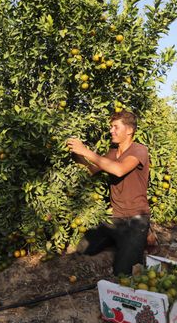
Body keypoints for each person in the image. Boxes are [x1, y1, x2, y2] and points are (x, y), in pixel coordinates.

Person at [67, 110, 150, 276]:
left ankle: (143, 237)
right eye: (111, 127)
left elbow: (119, 170)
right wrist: (76, 152)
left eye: (115, 127)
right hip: (114, 218)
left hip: (135, 220)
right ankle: (121, 242)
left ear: (129, 130)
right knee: (82, 249)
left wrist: (86, 151)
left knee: (123, 273)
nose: (111, 130)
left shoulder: (139, 150)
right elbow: (91, 169)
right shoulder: (113, 151)